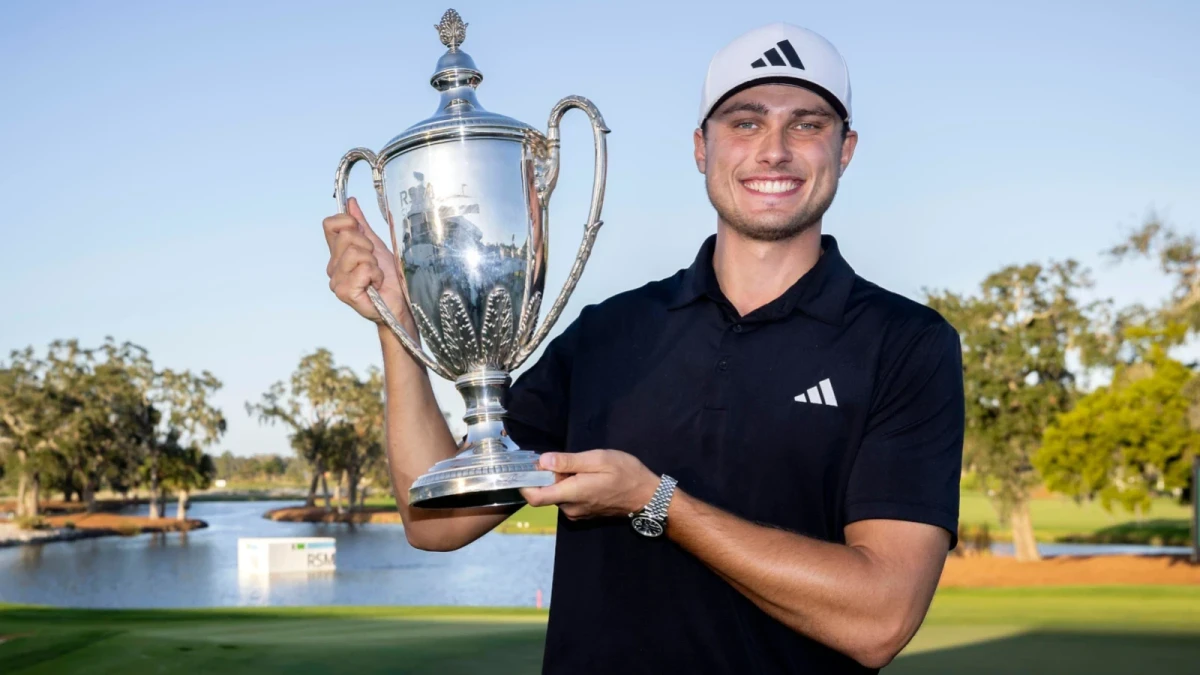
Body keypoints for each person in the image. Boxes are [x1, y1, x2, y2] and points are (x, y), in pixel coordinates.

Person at [323, 21, 964, 675]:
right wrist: (396, 322)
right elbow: (434, 523)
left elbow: (881, 618)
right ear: (700, 147)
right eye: (744, 122)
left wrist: (655, 500)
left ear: (846, 147)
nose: (774, 150)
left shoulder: (907, 344)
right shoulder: (609, 333)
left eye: (806, 124)